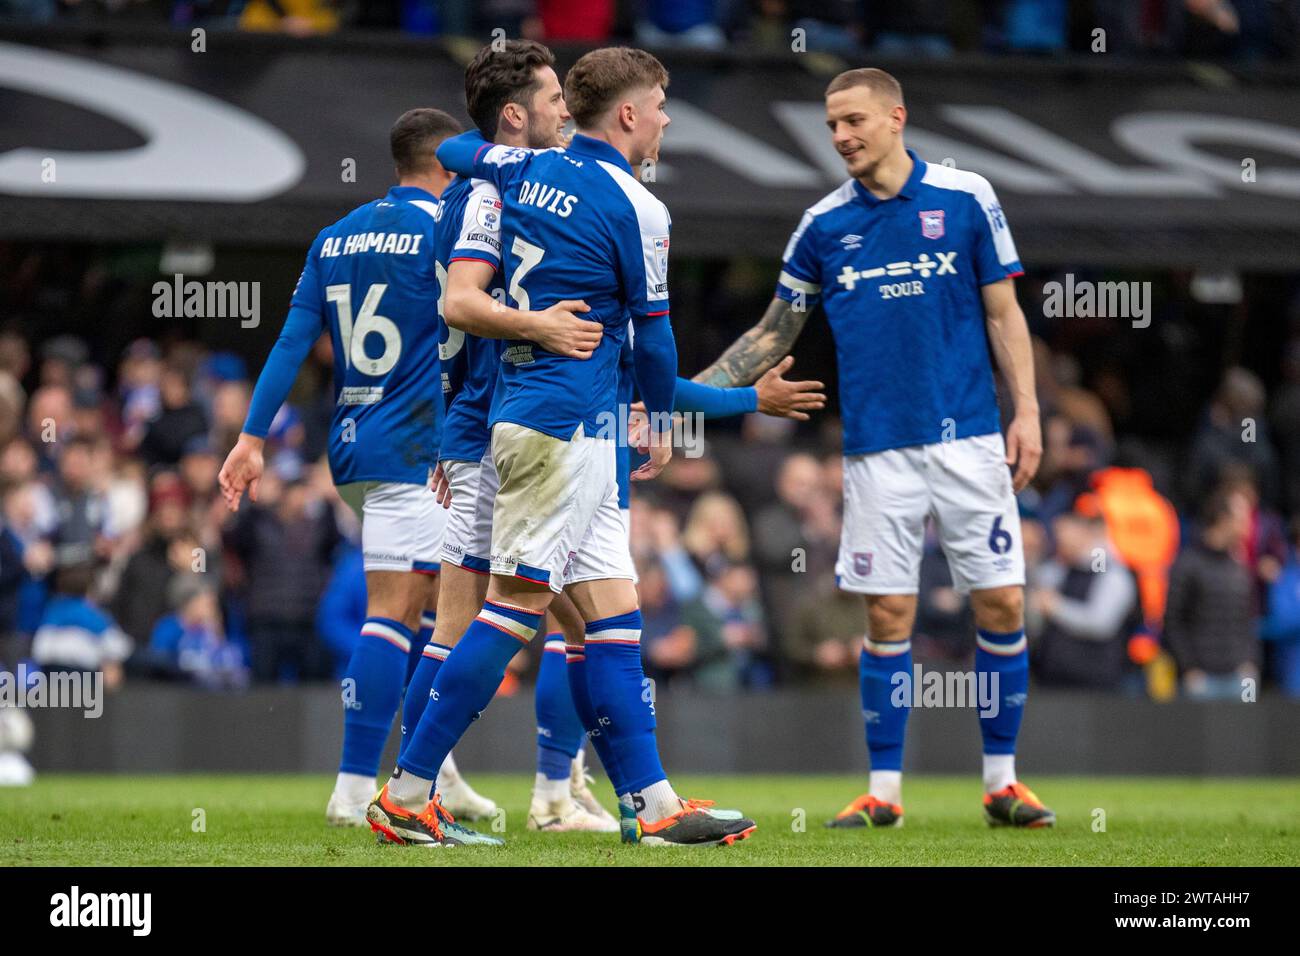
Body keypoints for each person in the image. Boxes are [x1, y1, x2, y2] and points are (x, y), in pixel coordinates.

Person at [374, 46, 757, 848]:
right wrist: (655, 419)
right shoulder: (637, 207)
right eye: (659, 105)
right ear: (627, 115)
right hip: (562, 427)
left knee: (614, 618)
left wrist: (487, 148)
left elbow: (448, 148)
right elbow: (654, 343)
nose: (665, 120)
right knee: (513, 608)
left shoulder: (514, 175)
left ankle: (652, 807)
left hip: (533, 418)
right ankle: (407, 794)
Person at [692, 67, 1055, 828]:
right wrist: (681, 400)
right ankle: (883, 793)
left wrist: (1027, 411)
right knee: (887, 614)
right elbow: (771, 333)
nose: (841, 137)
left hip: (972, 441)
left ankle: (1002, 781)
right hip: (876, 451)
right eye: (831, 126)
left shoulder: (966, 197)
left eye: (853, 121)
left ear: (896, 116)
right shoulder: (823, 224)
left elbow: (1004, 314)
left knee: (1001, 599)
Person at [217, 108, 502, 844]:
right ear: (446, 165)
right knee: (404, 614)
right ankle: (355, 786)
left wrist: (253, 437)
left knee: (443, 609)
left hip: (354, 446)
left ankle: (433, 771)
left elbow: (290, 342)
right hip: (420, 447)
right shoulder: (447, 230)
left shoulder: (336, 233)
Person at [1163, 489, 1259, 700]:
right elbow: (1172, 621)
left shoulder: (1239, 567)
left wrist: (1249, 663)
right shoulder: (1188, 565)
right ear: (1223, 519)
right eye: (1242, 518)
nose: (1247, 525)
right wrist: (1188, 668)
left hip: (1239, 678)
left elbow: (1247, 620)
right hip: (1201, 680)